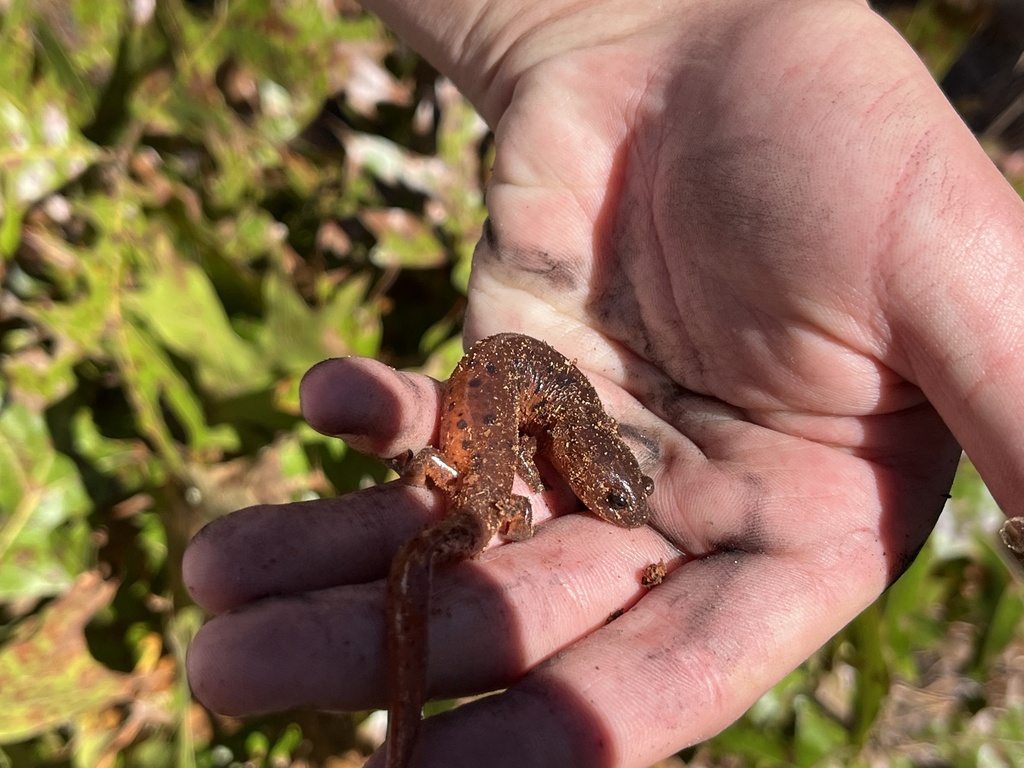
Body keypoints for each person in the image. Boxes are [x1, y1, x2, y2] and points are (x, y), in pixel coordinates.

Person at [182, 0, 1024, 765]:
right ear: (585, 466)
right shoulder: (544, 459)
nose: (625, 512)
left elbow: (547, 437)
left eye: (624, 501)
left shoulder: (558, 447)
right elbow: (538, 439)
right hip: (493, 426)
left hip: (486, 447)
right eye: (616, 499)